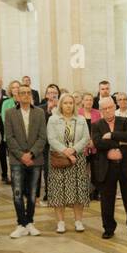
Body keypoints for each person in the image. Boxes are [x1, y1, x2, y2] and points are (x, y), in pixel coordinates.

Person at [91, 96, 127, 239]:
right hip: (106, 168)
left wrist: (112, 135)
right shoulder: (96, 125)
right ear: (100, 110)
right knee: (107, 200)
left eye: (110, 107)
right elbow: (98, 143)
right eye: (104, 108)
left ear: (114, 107)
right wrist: (120, 143)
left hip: (126, 165)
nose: (108, 111)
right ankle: (108, 228)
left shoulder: (125, 121)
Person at [5, 84, 46, 238]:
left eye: (28, 93)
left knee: (33, 193)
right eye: (22, 93)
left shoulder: (40, 113)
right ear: (17, 96)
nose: (26, 95)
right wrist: (22, 155)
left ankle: (29, 222)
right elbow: (9, 137)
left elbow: (43, 137)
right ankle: (21, 223)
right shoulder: (10, 113)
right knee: (17, 193)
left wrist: (32, 154)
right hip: (17, 160)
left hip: (36, 160)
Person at [46, 93, 90, 234]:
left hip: (77, 159)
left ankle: (78, 221)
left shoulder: (81, 119)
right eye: (65, 103)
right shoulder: (53, 119)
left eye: (71, 103)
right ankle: (60, 222)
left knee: (78, 191)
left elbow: (85, 138)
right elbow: (51, 139)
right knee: (59, 191)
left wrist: (73, 150)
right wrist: (66, 151)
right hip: (58, 158)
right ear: (60, 105)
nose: (69, 105)